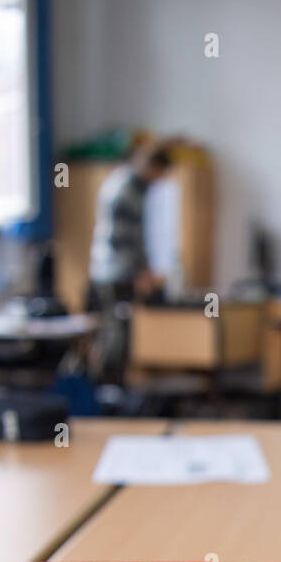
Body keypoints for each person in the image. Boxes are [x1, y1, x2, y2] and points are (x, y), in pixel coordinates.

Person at [87, 135, 172, 382]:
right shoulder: (126, 189)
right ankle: (106, 390)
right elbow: (122, 239)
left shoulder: (131, 185)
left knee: (121, 329)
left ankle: (113, 387)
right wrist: (139, 273)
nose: (160, 181)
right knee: (117, 332)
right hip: (115, 271)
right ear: (152, 166)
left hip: (116, 269)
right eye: (160, 173)